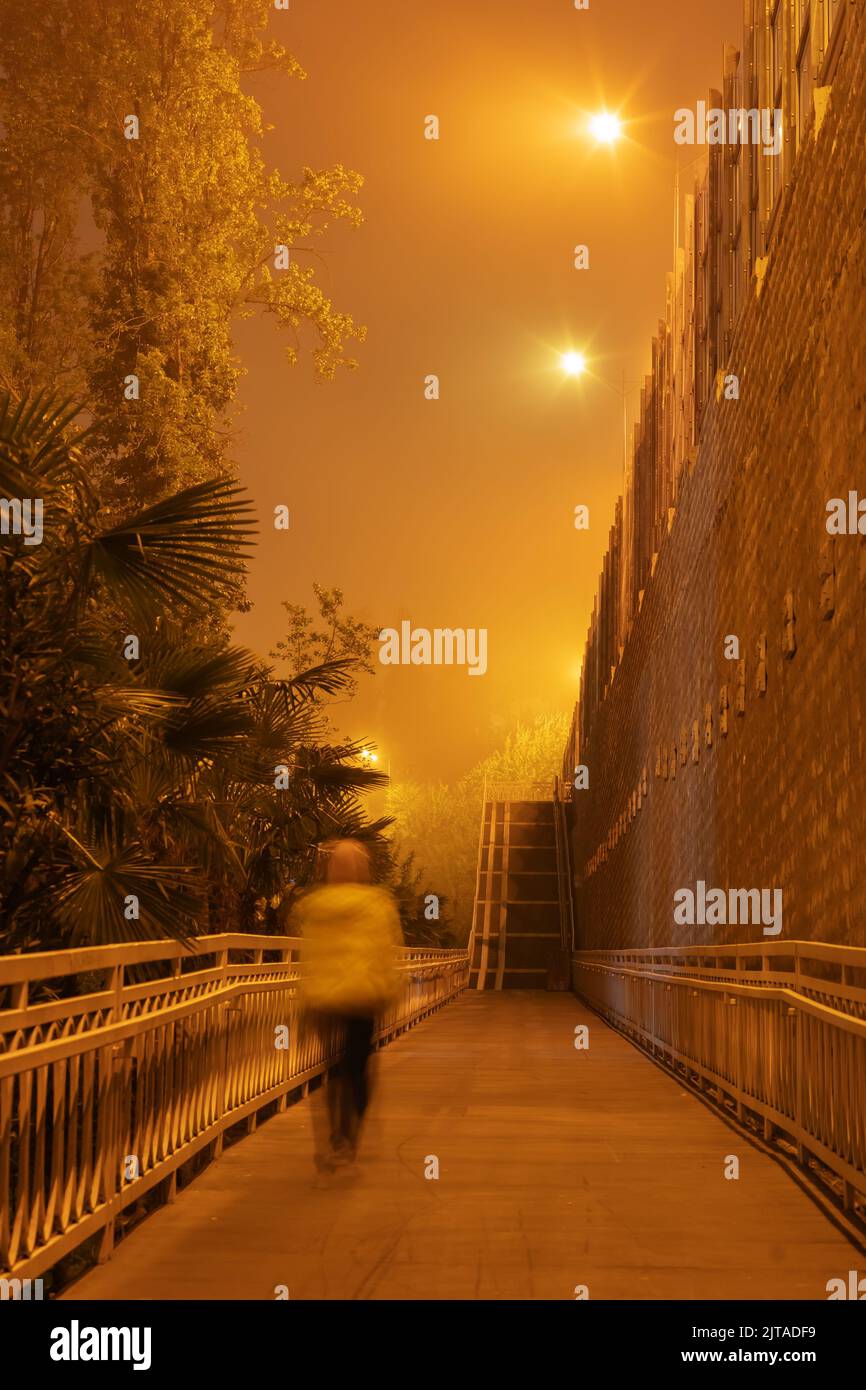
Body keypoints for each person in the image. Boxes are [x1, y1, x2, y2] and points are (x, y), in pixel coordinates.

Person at [295, 838, 403, 1170]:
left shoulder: (314, 905)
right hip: (362, 997)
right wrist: (390, 991)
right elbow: (387, 951)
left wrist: (305, 1000)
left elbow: (309, 955)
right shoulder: (378, 904)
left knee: (333, 1071)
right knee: (357, 1068)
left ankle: (335, 1137)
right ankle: (348, 1133)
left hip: (326, 999)